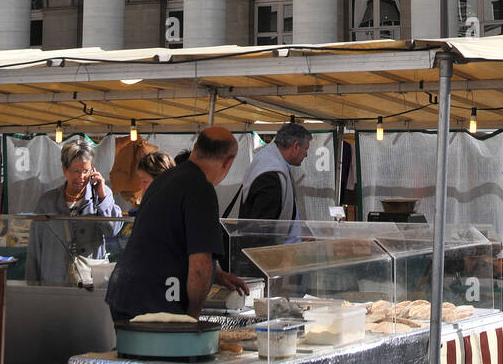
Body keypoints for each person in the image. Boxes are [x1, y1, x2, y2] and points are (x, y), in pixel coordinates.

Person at [106, 126, 248, 322]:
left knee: (132, 352)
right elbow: (199, 266)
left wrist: (217, 274)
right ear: (229, 161)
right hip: (156, 301)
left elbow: (165, 242)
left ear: (196, 147)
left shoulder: (165, 180)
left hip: (124, 293)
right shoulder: (200, 189)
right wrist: (193, 317)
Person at [25, 140, 124, 285]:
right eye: (76, 171)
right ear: (65, 170)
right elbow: (35, 245)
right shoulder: (47, 201)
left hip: (90, 280)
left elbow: (113, 230)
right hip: (54, 282)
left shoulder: (101, 195)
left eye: (86, 171)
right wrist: (32, 285)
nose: (81, 177)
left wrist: (103, 197)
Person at [236, 122, 312, 221]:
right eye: (305, 149)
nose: (306, 154)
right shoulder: (270, 175)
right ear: (296, 146)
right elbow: (264, 227)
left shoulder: (270, 163)